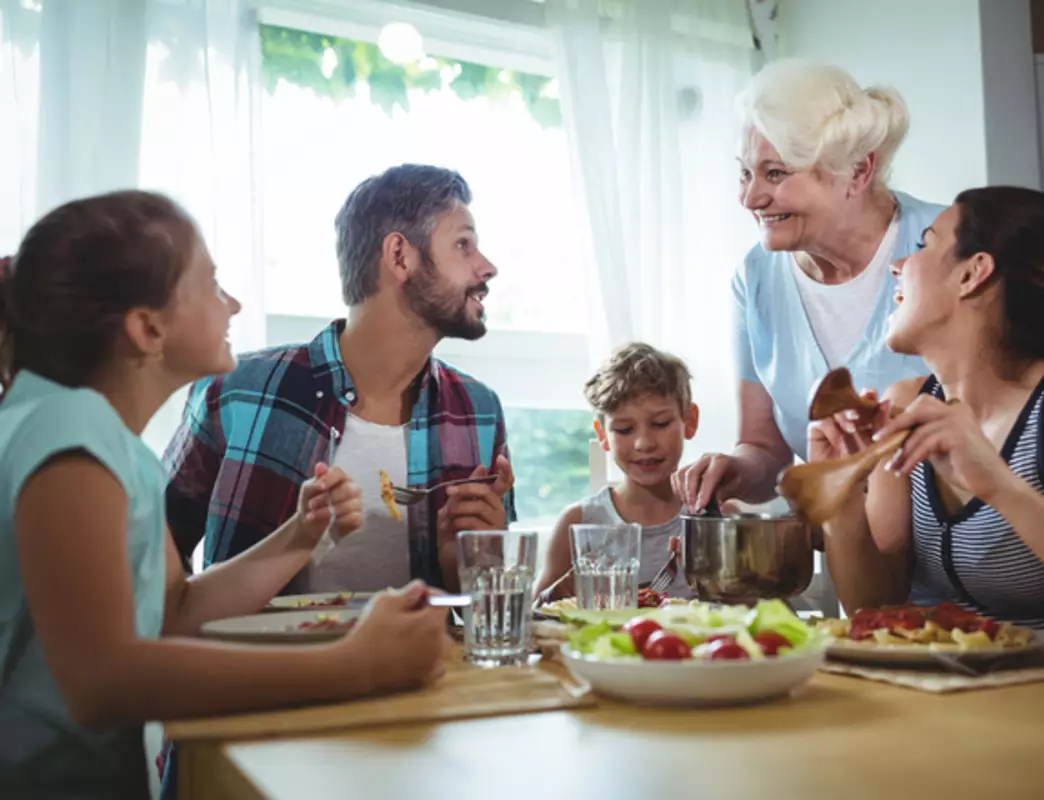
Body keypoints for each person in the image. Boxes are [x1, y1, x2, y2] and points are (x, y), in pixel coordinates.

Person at [0, 191, 452, 798]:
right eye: (211, 285)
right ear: (148, 327)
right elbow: (100, 678)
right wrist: (354, 664)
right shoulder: (70, 434)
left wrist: (299, 536)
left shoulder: (101, 439)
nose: (233, 301)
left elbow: (176, 613)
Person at [810, 185, 1044, 670]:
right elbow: (876, 612)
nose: (897, 266)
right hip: (971, 703)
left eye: (924, 244)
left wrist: (1000, 486)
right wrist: (842, 503)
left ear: (972, 273)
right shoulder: (907, 404)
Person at [164, 164, 515, 594]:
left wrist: (467, 565)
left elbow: (482, 608)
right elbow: (148, 565)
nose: (488, 267)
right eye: (463, 244)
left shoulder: (479, 412)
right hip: (260, 663)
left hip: (427, 663)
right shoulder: (236, 392)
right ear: (400, 256)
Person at [673, 60, 944, 512]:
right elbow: (764, 448)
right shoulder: (755, 277)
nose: (750, 197)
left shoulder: (946, 244)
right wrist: (735, 471)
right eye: (745, 172)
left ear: (857, 172)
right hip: (853, 567)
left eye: (775, 173)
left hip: (985, 562)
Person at [537, 343, 696, 599]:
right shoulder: (578, 523)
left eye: (660, 423)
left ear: (690, 421)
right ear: (602, 435)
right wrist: (561, 591)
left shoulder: (717, 521)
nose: (644, 443)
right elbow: (533, 620)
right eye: (623, 429)